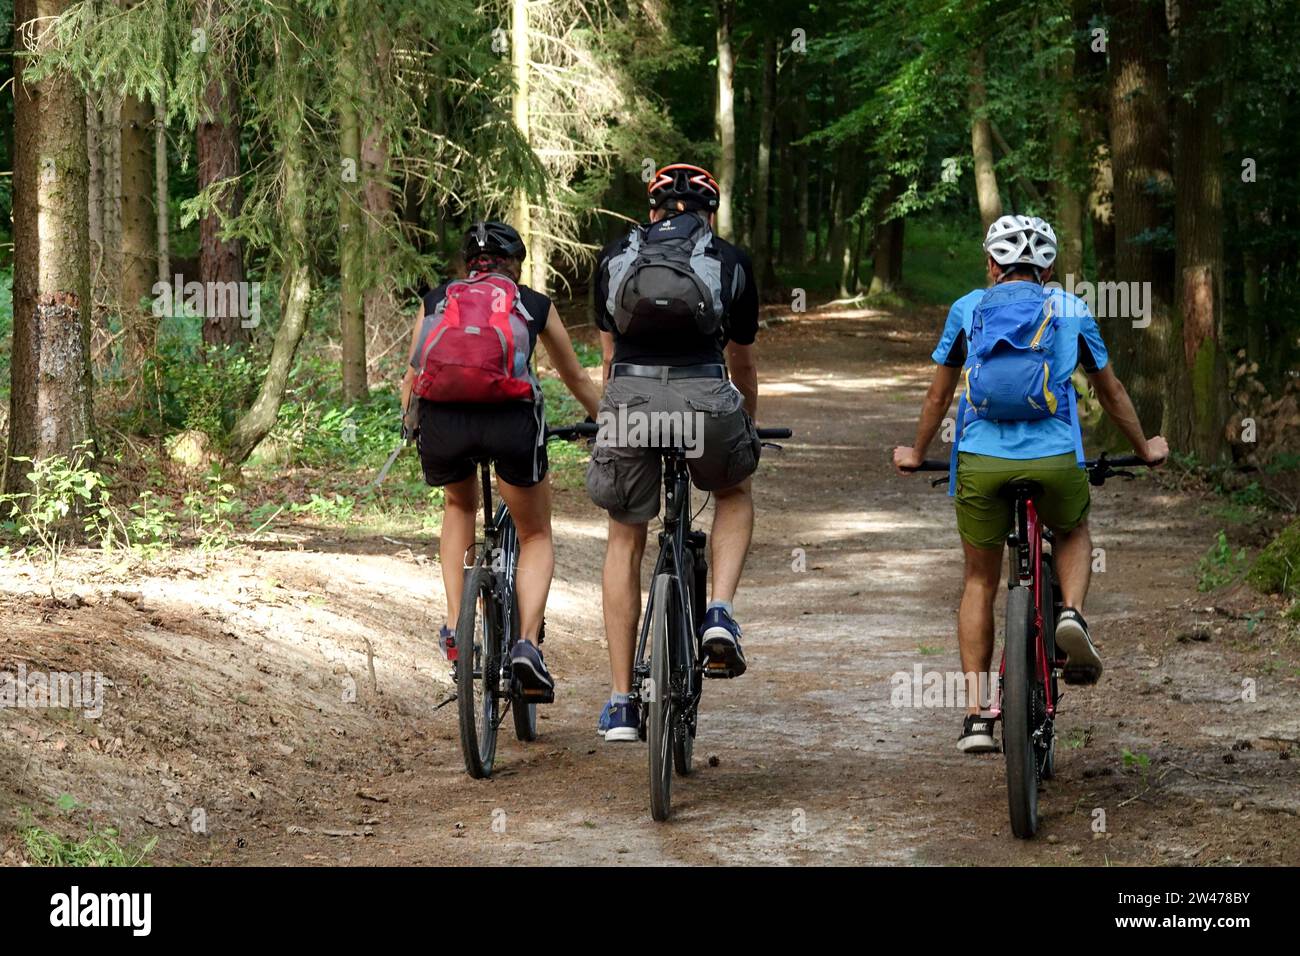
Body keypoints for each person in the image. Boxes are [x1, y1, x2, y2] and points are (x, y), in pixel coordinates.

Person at [892, 214, 1168, 753]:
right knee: (1072, 528)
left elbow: (937, 397)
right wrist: (1144, 448)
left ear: (991, 264)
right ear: (1048, 267)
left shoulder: (968, 308)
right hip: (1054, 459)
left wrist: (917, 452)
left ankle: (976, 717)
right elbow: (1109, 393)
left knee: (978, 580)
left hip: (980, 461)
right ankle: (1071, 615)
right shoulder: (1072, 309)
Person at [587, 163, 763, 742]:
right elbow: (740, 360)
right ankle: (718, 613)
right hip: (705, 402)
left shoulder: (617, 256)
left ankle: (619, 702)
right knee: (734, 491)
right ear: (708, 214)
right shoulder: (730, 260)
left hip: (631, 400)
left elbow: (610, 359)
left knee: (624, 533)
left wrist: (610, 415)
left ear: (653, 210)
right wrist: (747, 426)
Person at [400, 221, 601, 693]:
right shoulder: (532, 303)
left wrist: (410, 425)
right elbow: (574, 377)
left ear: (468, 264)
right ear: (516, 263)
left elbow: (411, 377)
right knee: (534, 533)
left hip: (445, 424)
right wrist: (605, 421)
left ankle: (454, 626)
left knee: (459, 506)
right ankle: (527, 646)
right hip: (510, 424)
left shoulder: (437, 301)